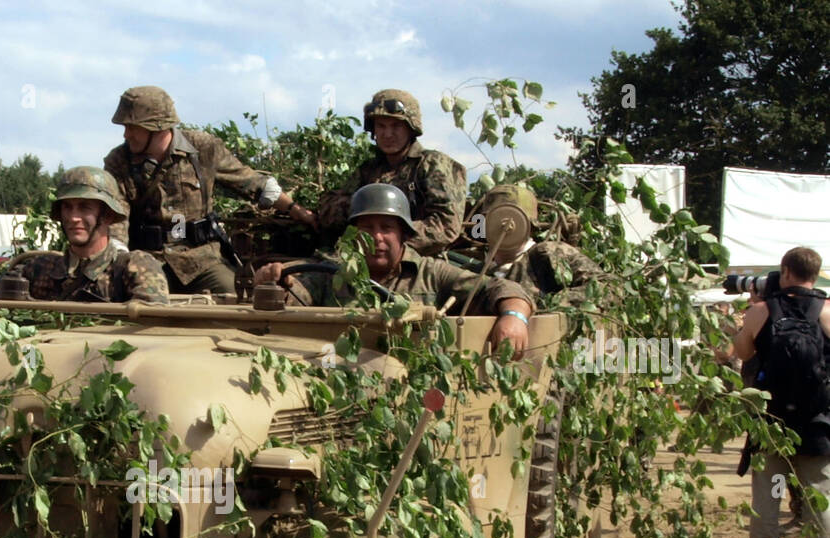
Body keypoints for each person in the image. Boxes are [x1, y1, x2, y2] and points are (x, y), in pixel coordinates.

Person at [255, 184, 532, 352]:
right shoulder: (332, 273)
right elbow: (295, 295)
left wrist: (513, 316)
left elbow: (503, 287)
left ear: (404, 235)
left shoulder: (431, 274)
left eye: (387, 228)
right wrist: (274, 283)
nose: (377, 237)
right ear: (353, 235)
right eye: (367, 228)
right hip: (339, 382)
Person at [104, 86, 315, 295]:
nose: (126, 134)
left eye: (133, 127)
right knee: (136, 302)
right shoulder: (119, 162)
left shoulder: (202, 148)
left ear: (157, 127)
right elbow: (116, 218)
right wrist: (121, 260)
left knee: (234, 299)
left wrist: (296, 210)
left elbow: (250, 182)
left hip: (201, 261)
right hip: (148, 261)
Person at [727, 246, 830, 538]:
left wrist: (753, 308)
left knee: (767, 506)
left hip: (772, 431)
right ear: (815, 275)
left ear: (784, 271)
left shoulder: (761, 311)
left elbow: (740, 353)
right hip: (816, 433)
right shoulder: (827, 312)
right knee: (819, 507)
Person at [318, 90, 467, 256]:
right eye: (381, 126)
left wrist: (394, 238)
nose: (387, 134)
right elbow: (329, 209)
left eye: (396, 126)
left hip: (420, 261)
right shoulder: (369, 169)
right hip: (368, 257)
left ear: (411, 129)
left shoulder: (432, 164)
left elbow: (446, 226)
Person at [2, 167, 169, 304]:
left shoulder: (134, 267)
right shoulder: (38, 269)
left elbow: (152, 326)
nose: (73, 218)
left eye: (85, 207)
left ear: (108, 215)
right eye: (67, 207)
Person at [471, 185, 605, 307]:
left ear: (529, 224)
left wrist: (552, 305)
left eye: (512, 217)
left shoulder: (548, 254)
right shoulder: (474, 273)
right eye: (493, 218)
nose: (503, 224)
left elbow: (607, 287)